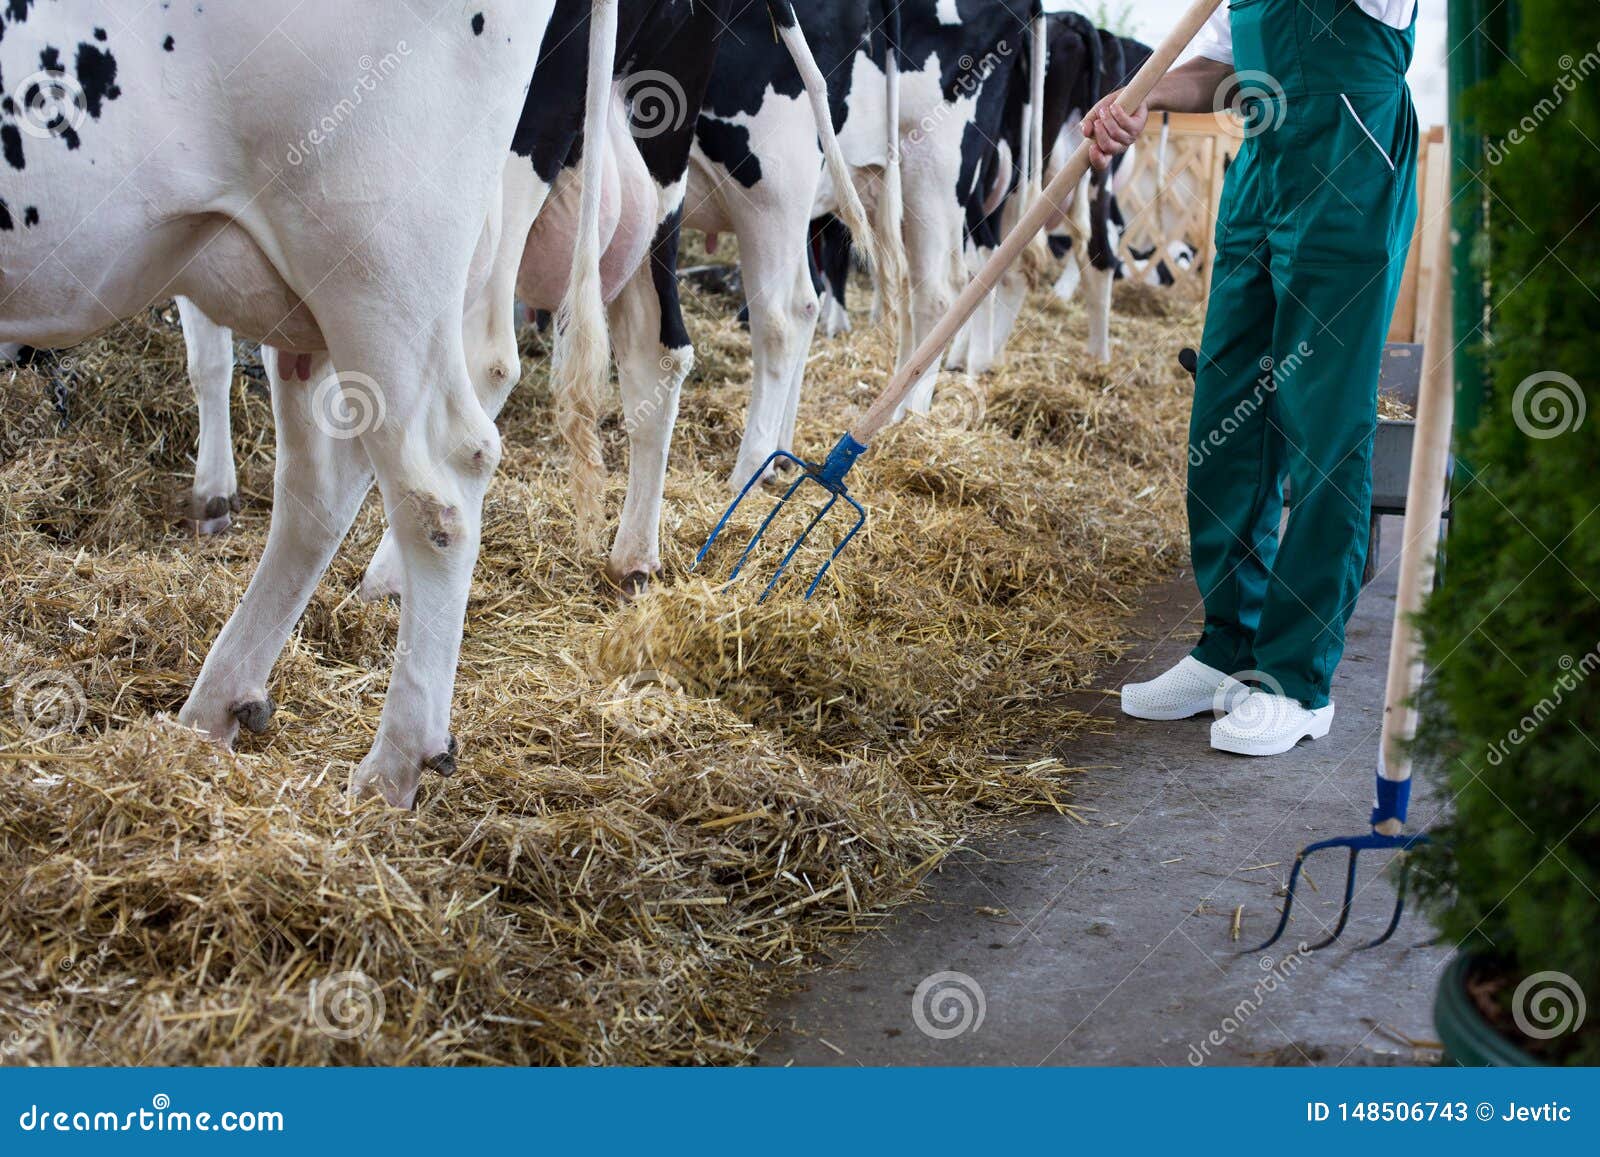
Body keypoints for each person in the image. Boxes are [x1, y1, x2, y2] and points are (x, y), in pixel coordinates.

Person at [1081, 0, 1420, 756]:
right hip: (1263, 168)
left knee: (1324, 420)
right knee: (1228, 406)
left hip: (1349, 163)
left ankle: (1297, 682)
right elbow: (1221, 68)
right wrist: (1138, 100)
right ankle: (1228, 646)